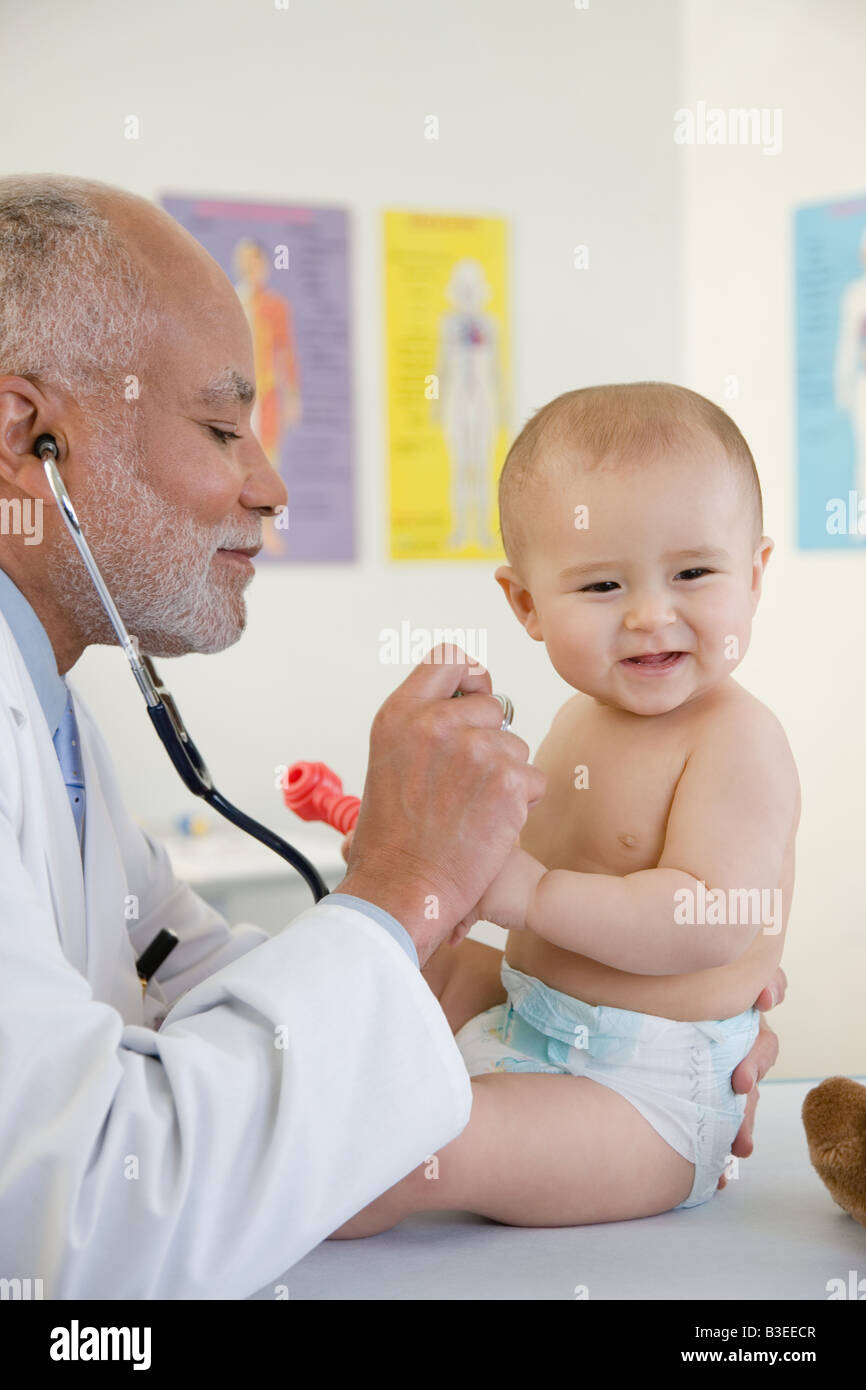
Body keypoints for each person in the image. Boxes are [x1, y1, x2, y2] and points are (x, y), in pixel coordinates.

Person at [0, 177, 781, 1296]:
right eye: (223, 428)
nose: (269, 489)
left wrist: (610, 1003)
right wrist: (407, 881)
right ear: (30, 438)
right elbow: (76, 1225)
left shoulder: (51, 707)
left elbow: (183, 975)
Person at [331, 383, 795, 1237]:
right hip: (527, 1015)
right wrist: (419, 852)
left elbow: (714, 918)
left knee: (430, 1146)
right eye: (603, 585)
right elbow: (517, 857)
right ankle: (292, 1077)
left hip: (644, 1096)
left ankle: (326, 1173)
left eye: (693, 572)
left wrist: (529, 896)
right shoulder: (578, 718)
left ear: (755, 574)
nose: (652, 614)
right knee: (386, 954)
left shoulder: (739, 741)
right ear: (527, 606)